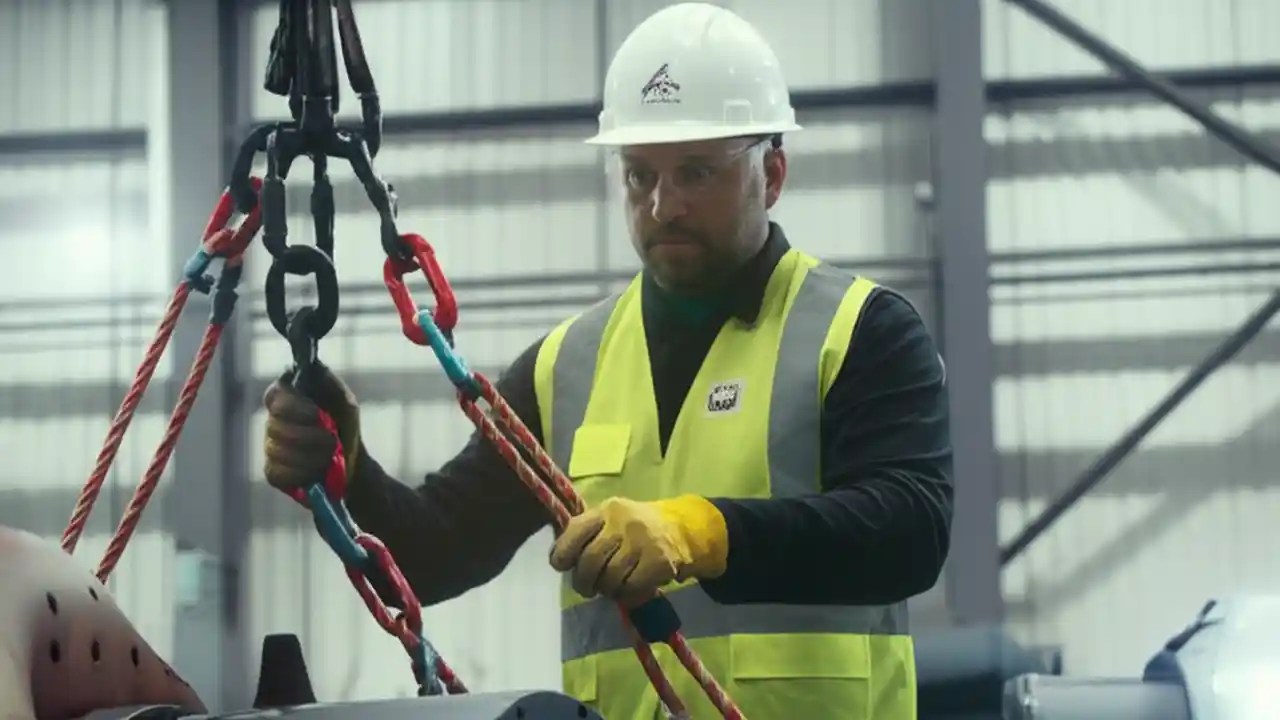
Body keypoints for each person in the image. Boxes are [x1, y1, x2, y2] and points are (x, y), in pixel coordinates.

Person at [261, 3, 953, 718]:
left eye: (696, 173)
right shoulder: (564, 368)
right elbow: (437, 553)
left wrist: (703, 531)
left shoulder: (859, 332)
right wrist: (347, 471)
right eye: (638, 176)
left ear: (771, 175)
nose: (663, 206)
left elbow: (911, 530)